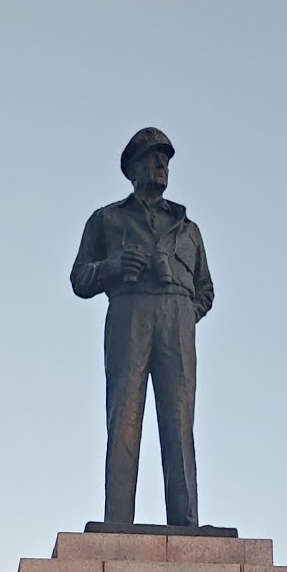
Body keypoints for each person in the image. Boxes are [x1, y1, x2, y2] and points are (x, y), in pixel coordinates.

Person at [71, 128, 214, 526]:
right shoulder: (107, 219)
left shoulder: (188, 228)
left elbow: (207, 288)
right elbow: (79, 277)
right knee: (125, 417)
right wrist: (113, 268)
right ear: (131, 169)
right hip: (129, 313)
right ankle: (118, 520)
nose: (161, 165)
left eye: (165, 159)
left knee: (179, 422)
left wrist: (186, 310)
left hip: (177, 320)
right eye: (152, 158)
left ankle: (185, 521)